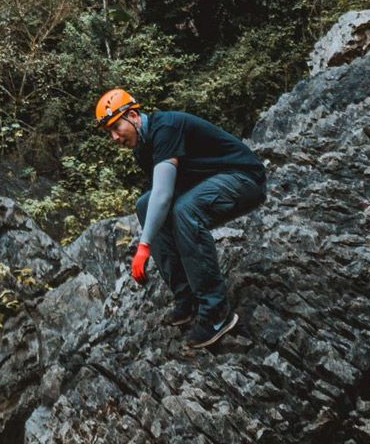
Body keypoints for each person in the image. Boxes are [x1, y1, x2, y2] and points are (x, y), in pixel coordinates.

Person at [95, 89, 267, 349]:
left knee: (184, 211)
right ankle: (185, 297)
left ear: (133, 115)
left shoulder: (166, 127)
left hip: (244, 178)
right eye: (109, 132)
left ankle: (216, 312)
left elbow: (164, 195)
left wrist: (144, 246)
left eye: (116, 127)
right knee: (144, 205)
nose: (115, 137)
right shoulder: (143, 149)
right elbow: (160, 198)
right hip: (210, 183)